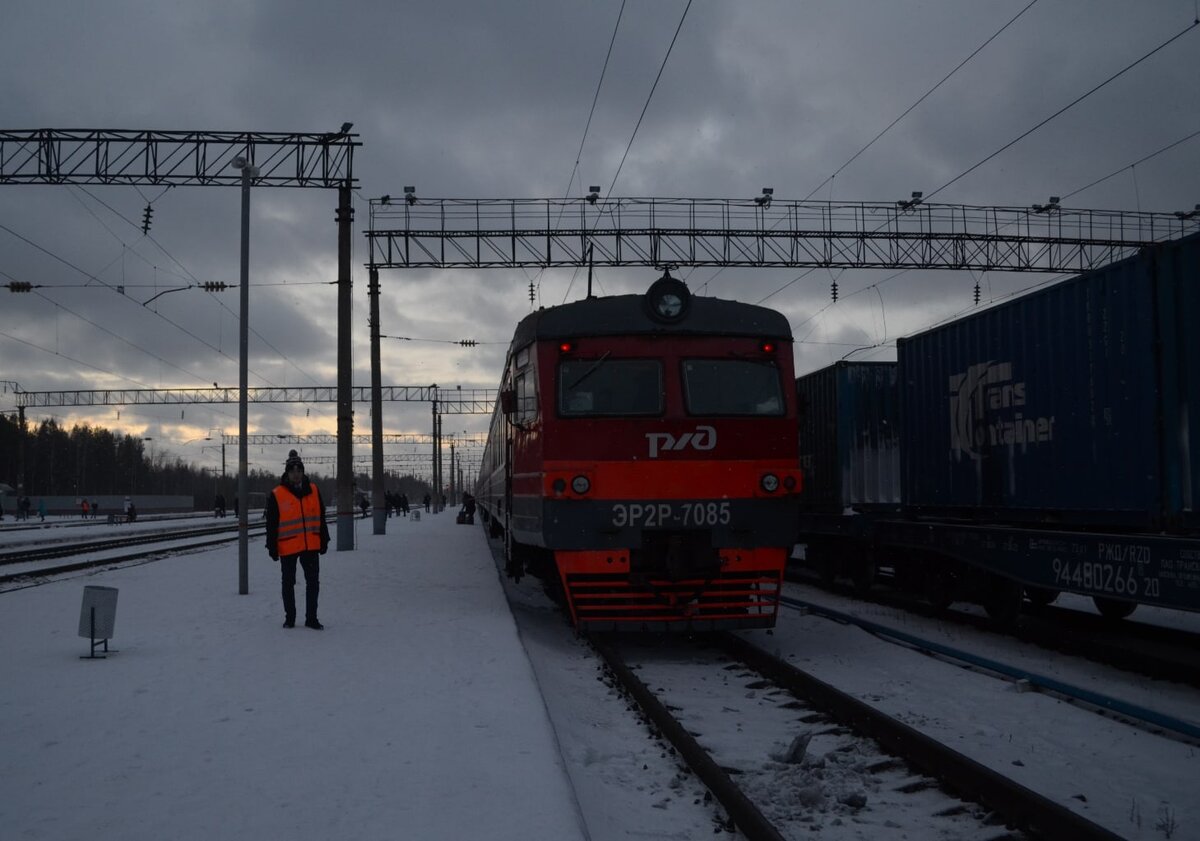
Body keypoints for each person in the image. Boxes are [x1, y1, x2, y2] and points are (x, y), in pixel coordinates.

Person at [265, 450, 329, 630]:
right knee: (288, 583)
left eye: (299, 469)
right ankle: (290, 618)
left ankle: (311, 618)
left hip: (310, 545)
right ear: (287, 472)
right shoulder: (278, 494)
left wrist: (324, 538)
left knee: (313, 583)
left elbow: (321, 516)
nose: (296, 473)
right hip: (288, 546)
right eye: (292, 470)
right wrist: (272, 546)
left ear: (303, 471)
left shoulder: (314, 490)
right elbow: (271, 523)